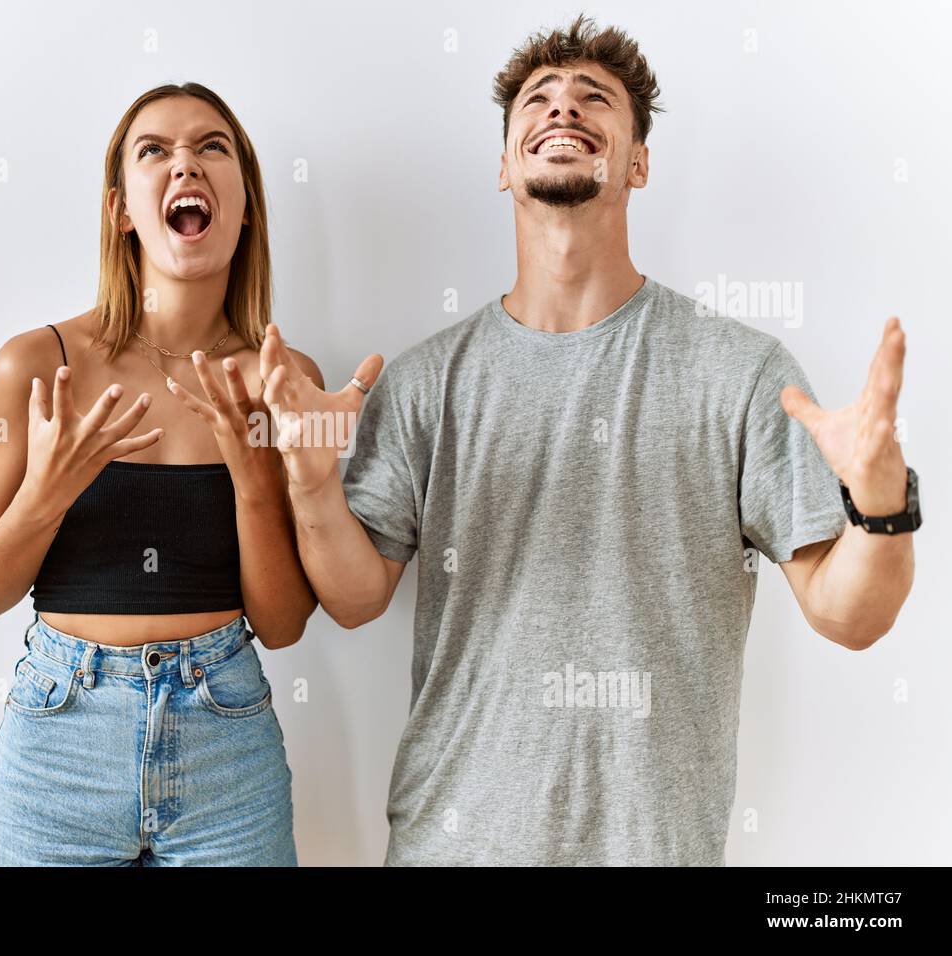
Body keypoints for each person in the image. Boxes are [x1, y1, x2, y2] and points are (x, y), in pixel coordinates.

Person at [259, 14, 920, 865]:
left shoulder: (742, 372)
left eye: (594, 98)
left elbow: (848, 615)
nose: (563, 109)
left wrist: (881, 505)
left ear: (638, 162)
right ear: (504, 165)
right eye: (538, 99)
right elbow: (354, 600)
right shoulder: (425, 381)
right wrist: (311, 482)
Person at [0, 82, 324, 866]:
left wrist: (254, 481)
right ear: (121, 209)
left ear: (245, 205)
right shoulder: (35, 364)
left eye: (212, 147)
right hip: (60, 749)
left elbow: (284, 625)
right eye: (155, 150)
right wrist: (46, 496)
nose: (185, 163)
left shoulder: (281, 379)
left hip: (227, 748)